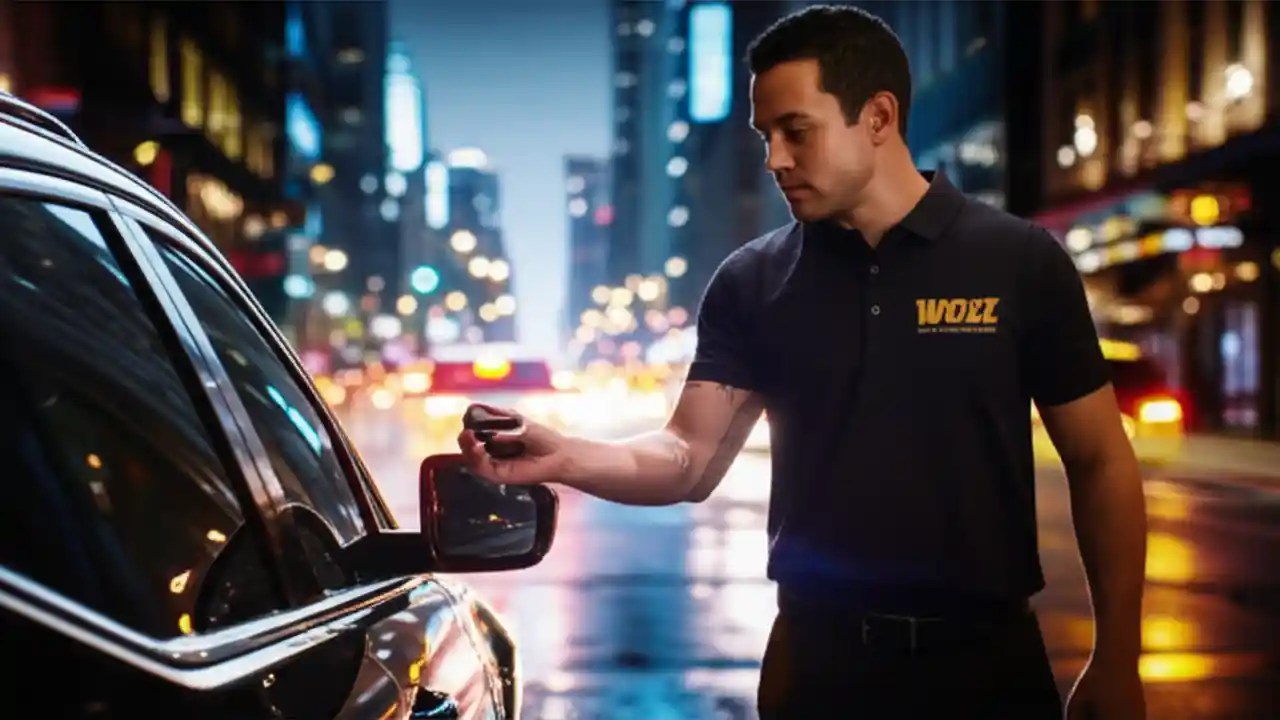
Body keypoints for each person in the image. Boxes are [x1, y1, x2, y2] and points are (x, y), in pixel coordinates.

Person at [458, 5, 1147, 718]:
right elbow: (688, 456)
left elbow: (1100, 461)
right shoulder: (751, 282)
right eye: (765, 136)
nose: (775, 159)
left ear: (878, 117)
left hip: (987, 665)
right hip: (815, 664)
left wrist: (1118, 659)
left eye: (796, 131)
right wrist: (565, 456)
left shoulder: (1020, 261)